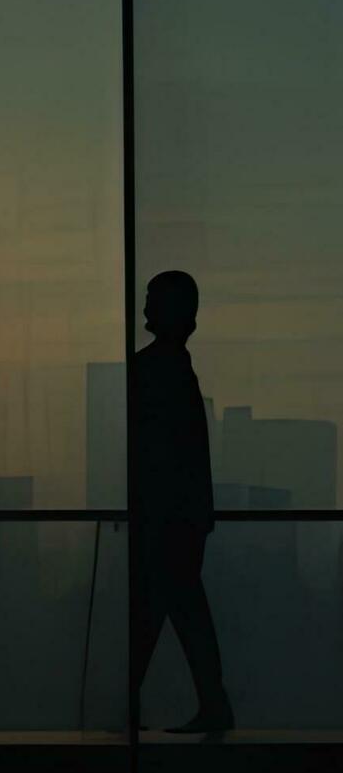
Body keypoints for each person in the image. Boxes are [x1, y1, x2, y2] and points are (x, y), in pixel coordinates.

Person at [130, 270, 235, 735]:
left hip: (166, 517)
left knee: (164, 612)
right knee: (176, 612)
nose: (146, 307)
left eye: (153, 300)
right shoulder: (174, 368)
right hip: (181, 517)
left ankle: (131, 704)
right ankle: (211, 705)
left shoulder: (154, 368)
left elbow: (161, 451)